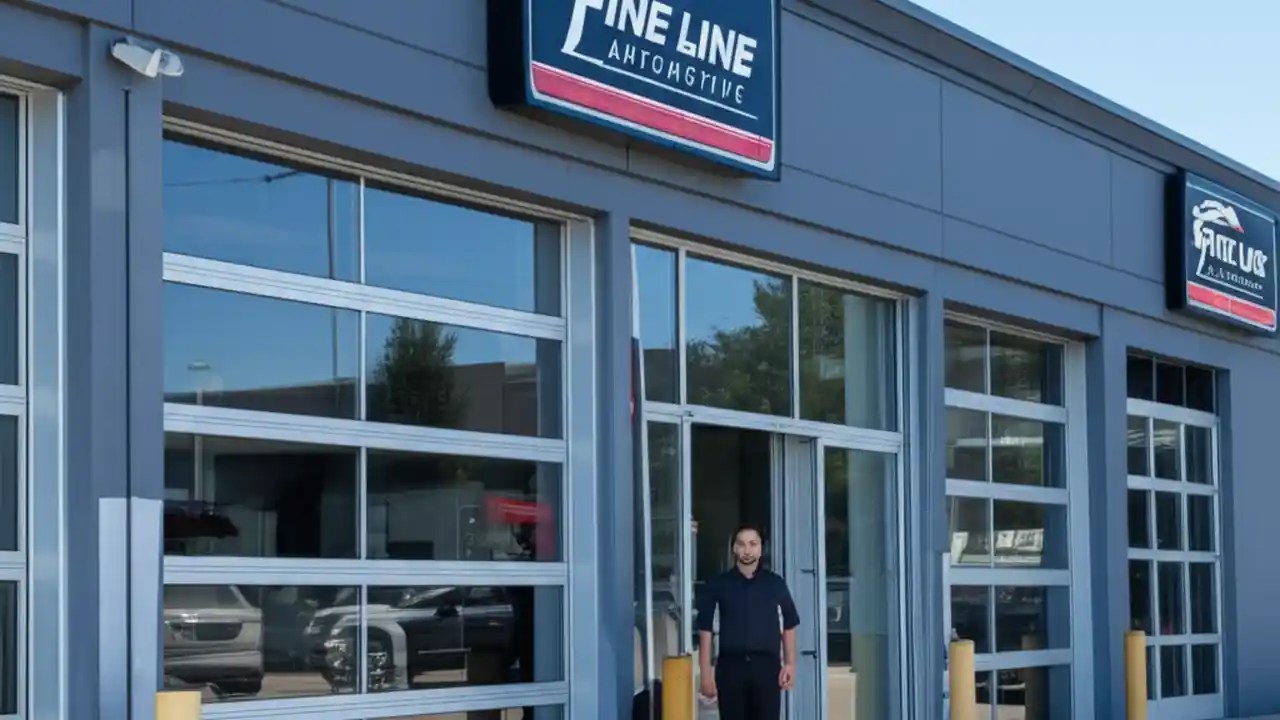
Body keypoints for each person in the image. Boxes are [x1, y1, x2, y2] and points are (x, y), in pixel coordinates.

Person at [694, 523, 799, 720]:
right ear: (734, 548)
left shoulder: (775, 584)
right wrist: (706, 674)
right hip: (730, 668)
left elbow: (790, 622)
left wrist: (790, 664)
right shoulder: (718, 584)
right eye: (741, 544)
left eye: (753, 544)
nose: (747, 550)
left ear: (761, 548)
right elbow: (705, 630)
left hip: (766, 668)